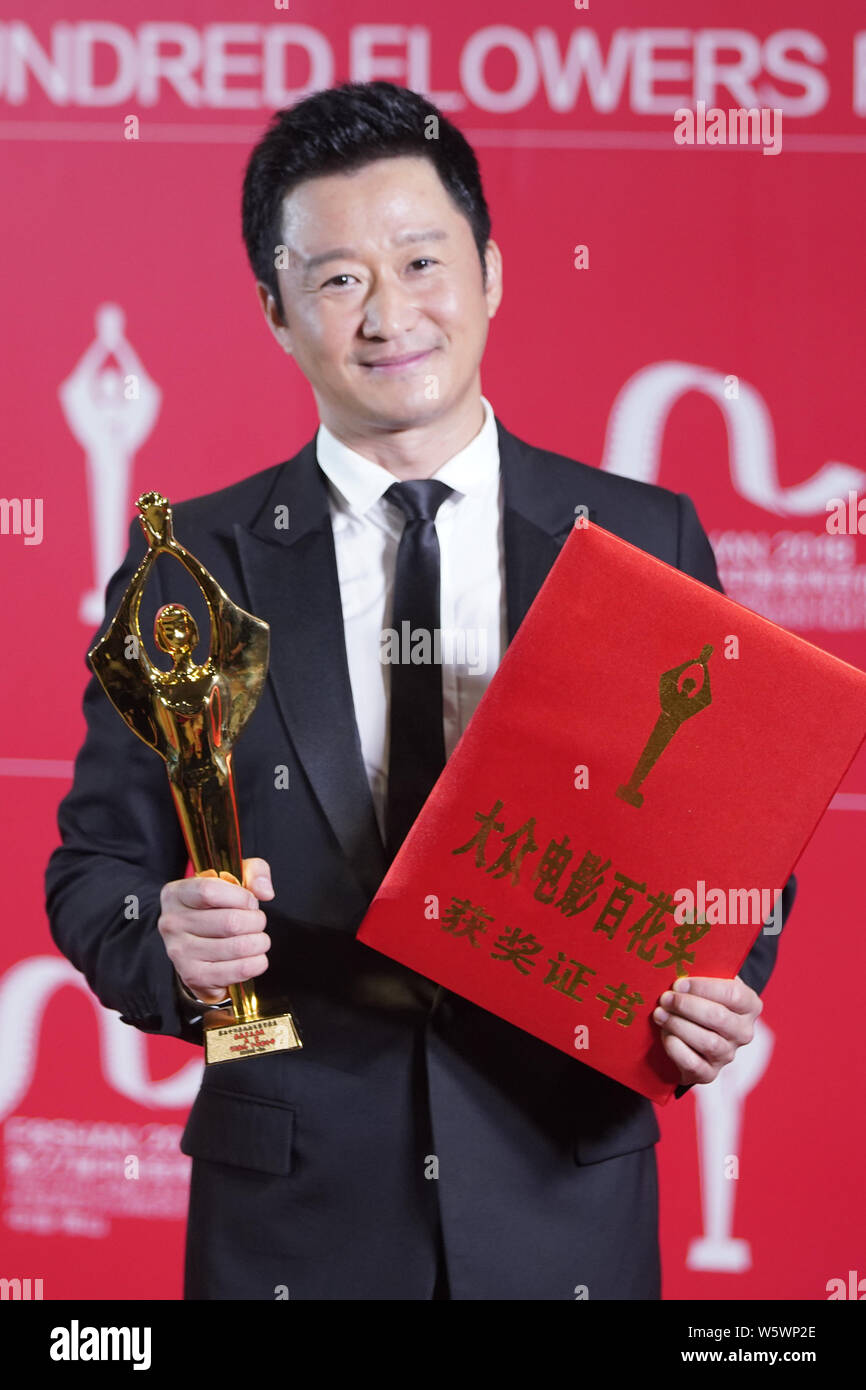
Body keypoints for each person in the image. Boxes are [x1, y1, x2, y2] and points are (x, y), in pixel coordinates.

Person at [45, 80, 796, 1301]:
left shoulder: (643, 537)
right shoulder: (189, 563)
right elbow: (95, 865)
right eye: (337, 277)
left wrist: (717, 989)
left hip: (563, 1185)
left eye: (419, 260)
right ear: (275, 310)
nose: (388, 313)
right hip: (292, 1210)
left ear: (490, 272)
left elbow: (732, 844)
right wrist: (171, 948)